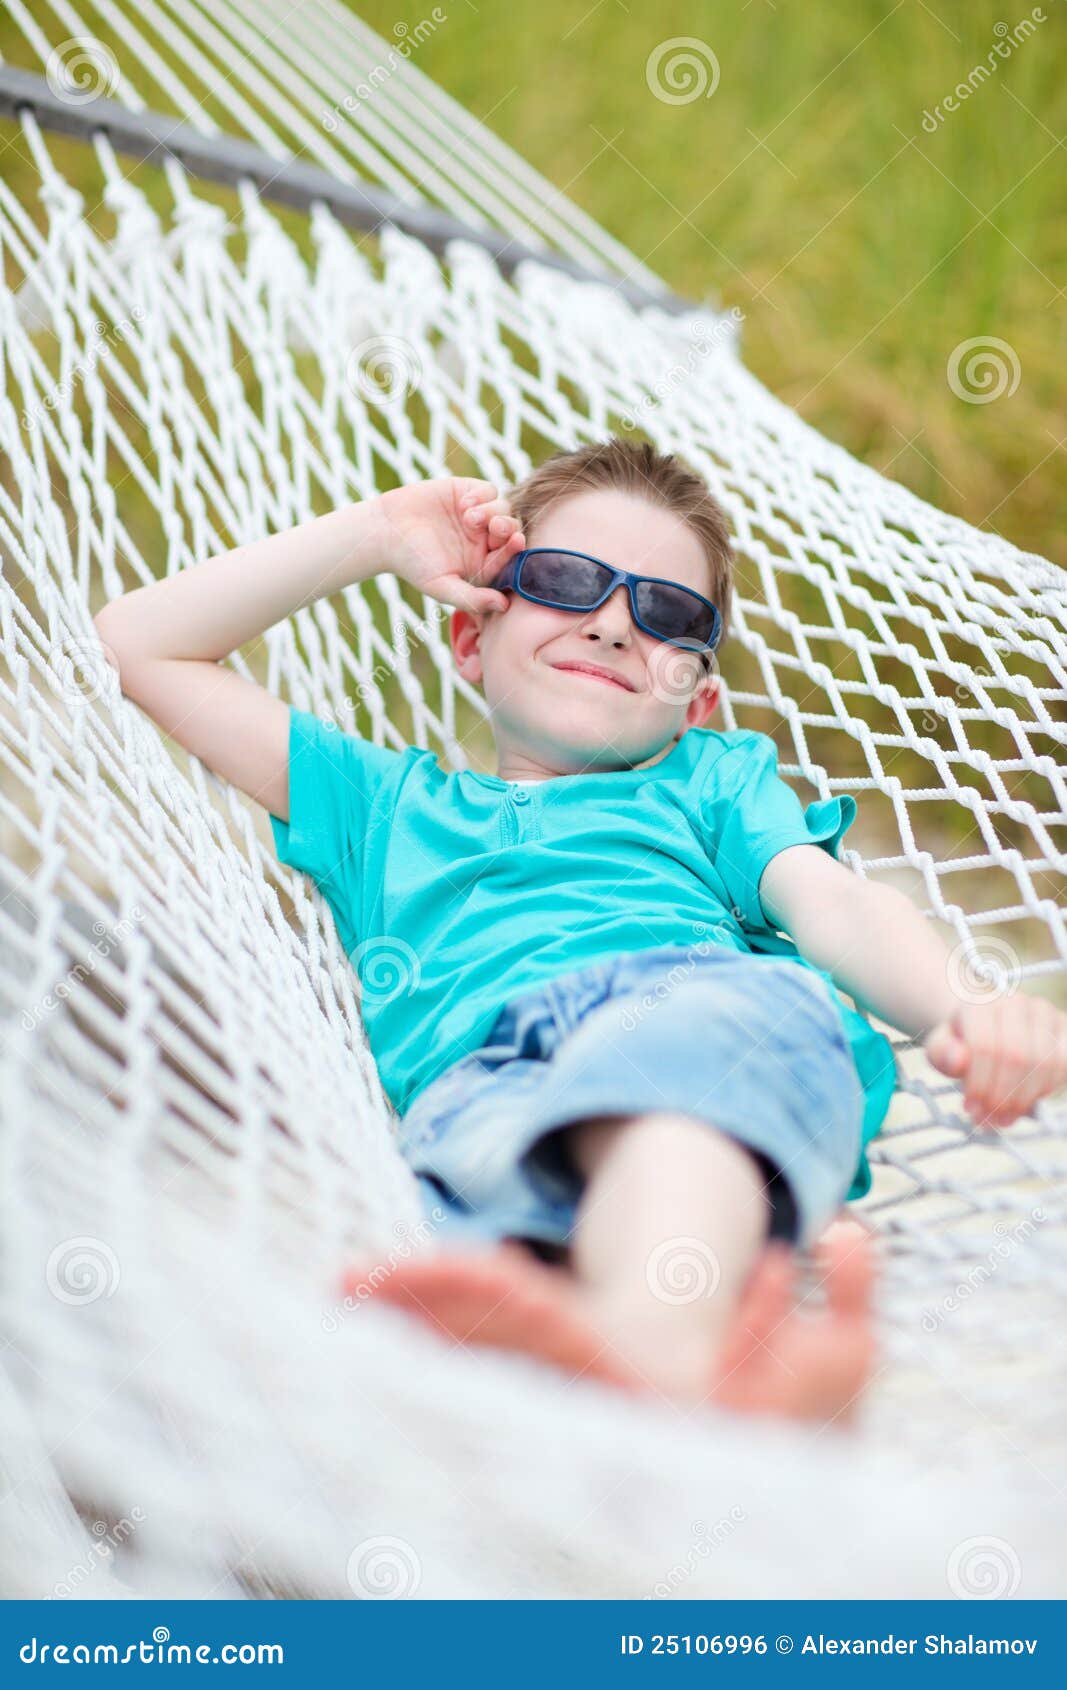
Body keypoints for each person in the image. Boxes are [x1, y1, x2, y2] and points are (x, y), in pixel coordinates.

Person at [94, 438, 1067, 1424]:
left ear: (698, 698)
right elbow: (138, 646)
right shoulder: (381, 810)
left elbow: (833, 901)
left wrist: (966, 1004)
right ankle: (708, 1384)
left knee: (683, 1079)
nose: (610, 625)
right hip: (483, 1101)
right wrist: (374, 533)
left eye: (666, 614)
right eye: (564, 581)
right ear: (470, 638)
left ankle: (660, 1363)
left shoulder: (708, 785)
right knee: (475, 1279)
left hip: (699, 1022)